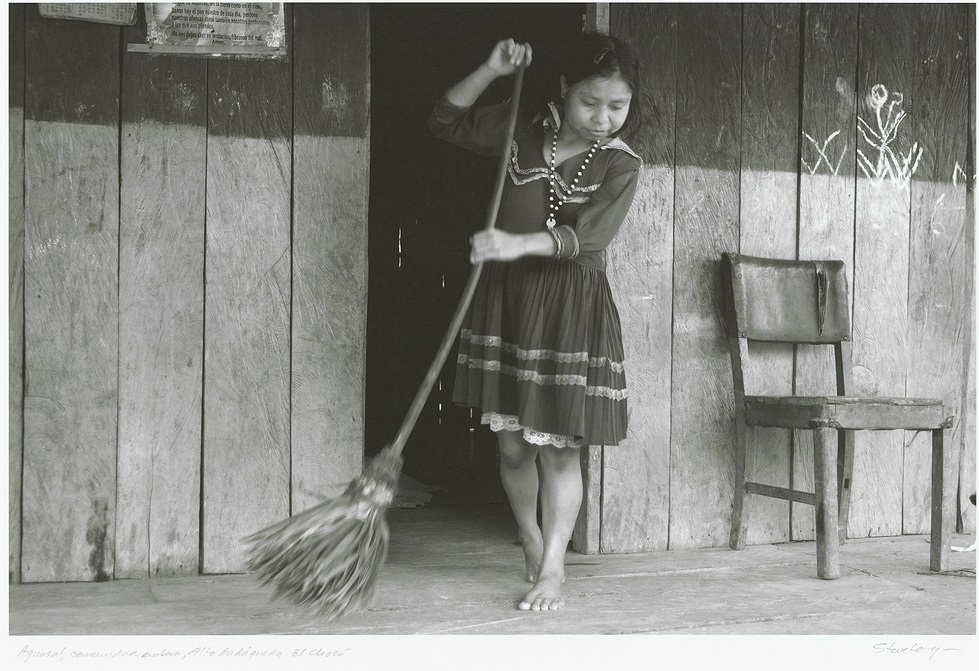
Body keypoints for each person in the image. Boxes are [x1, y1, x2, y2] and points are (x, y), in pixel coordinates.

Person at [428, 33, 643, 611]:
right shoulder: (522, 127)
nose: (603, 119)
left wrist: (510, 242)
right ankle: (528, 536)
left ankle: (553, 567)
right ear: (565, 91)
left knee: (559, 450)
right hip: (509, 303)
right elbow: (445, 120)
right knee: (514, 448)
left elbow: (588, 239)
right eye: (590, 103)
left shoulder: (622, 164)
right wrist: (490, 68)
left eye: (616, 107)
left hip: (569, 307)